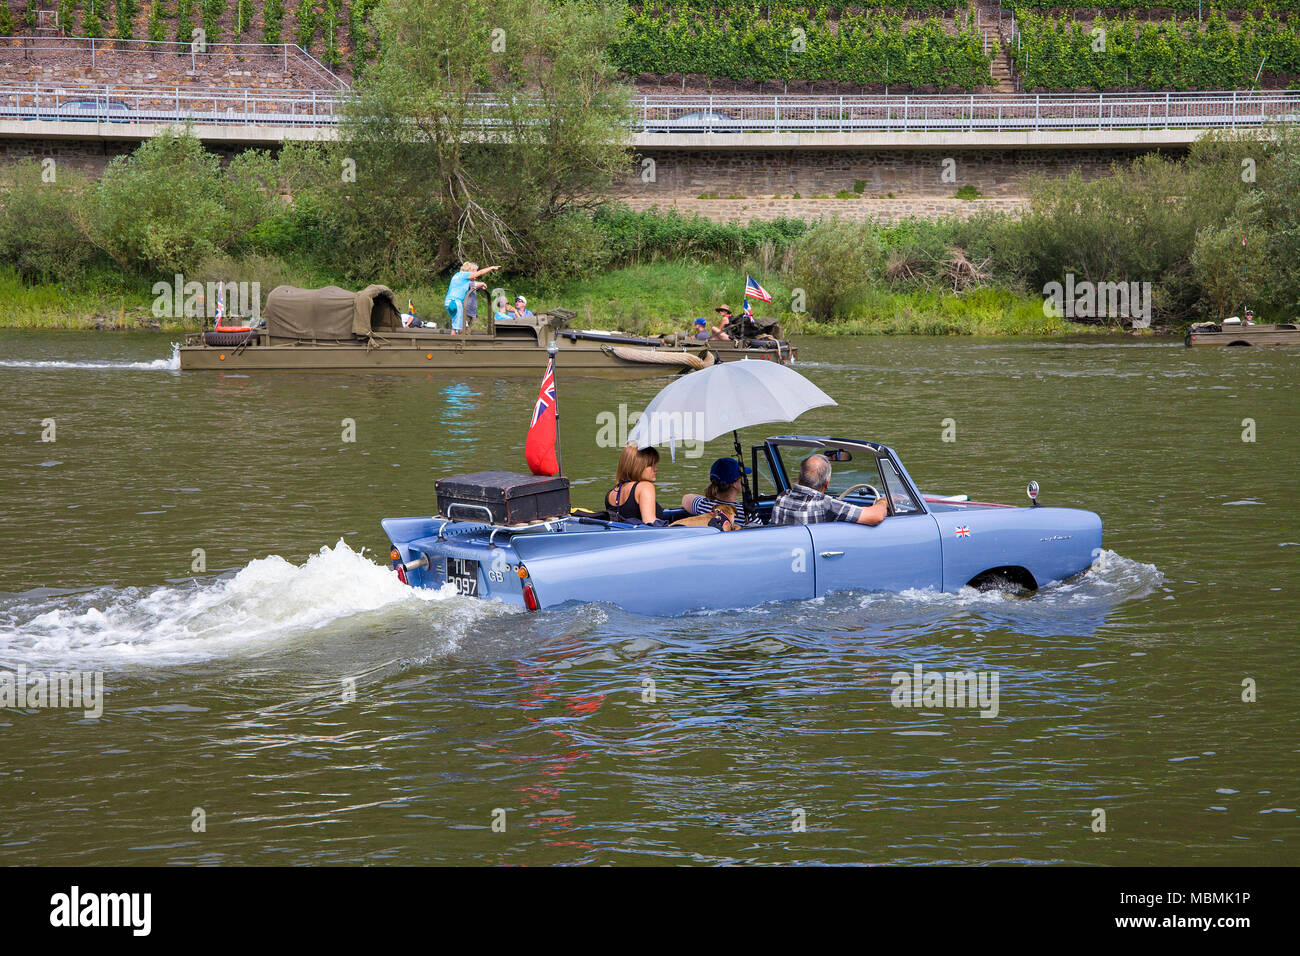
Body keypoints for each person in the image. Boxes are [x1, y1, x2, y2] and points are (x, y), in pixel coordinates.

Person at [772, 454, 888, 526]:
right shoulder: (826, 505)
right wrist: (883, 502)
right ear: (827, 483)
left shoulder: (782, 497)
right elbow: (876, 516)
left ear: (799, 477)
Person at [682, 457, 762, 527]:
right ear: (734, 483)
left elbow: (686, 498)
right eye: (742, 476)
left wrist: (709, 500)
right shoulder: (745, 514)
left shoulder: (704, 505)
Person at [606, 444, 665, 525]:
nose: (656, 469)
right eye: (651, 465)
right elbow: (650, 522)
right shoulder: (645, 486)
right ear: (638, 466)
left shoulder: (610, 494)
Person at [444, 262, 499, 334]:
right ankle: (455, 342)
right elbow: (480, 272)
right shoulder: (465, 274)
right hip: (456, 302)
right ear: (470, 270)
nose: (475, 273)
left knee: (458, 324)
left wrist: (480, 284)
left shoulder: (457, 275)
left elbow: (473, 284)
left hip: (448, 301)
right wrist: (491, 267)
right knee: (459, 327)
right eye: (474, 271)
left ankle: (456, 339)